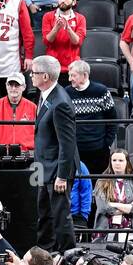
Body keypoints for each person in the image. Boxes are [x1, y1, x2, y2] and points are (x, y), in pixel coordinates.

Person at [31, 54, 78, 252]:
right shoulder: (45, 95)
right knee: (44, 213)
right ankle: (44, 252)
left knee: (60, 215)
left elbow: (67, 144)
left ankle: (68, 255)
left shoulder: (60, 103)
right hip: (42, 165)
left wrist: (62, 176)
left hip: (56, 169)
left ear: (45, 77)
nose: (31, 76)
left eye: (34, 73)